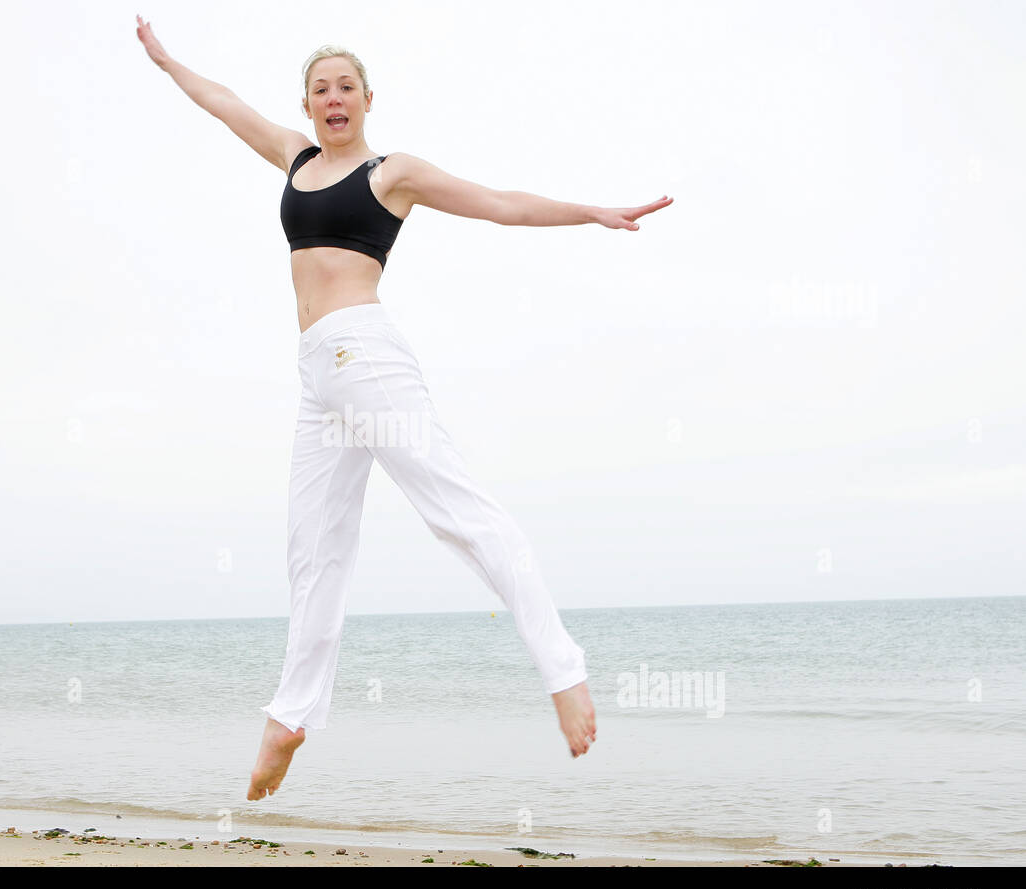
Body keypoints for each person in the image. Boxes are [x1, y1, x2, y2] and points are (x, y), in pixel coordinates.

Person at [134, 18, 674, 801]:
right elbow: (224, 105)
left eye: (345, 86)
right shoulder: (294, 157)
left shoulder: (393, 174)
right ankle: (292, 714)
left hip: (367, 354)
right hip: (318, 373)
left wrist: (592, 211)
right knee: (312, 552)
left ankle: (564, 671)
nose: (332, 98)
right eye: (320, 89)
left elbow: (499, 203)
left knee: (456, 509)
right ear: (309, 106)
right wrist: (164, 60)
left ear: (367, 99)